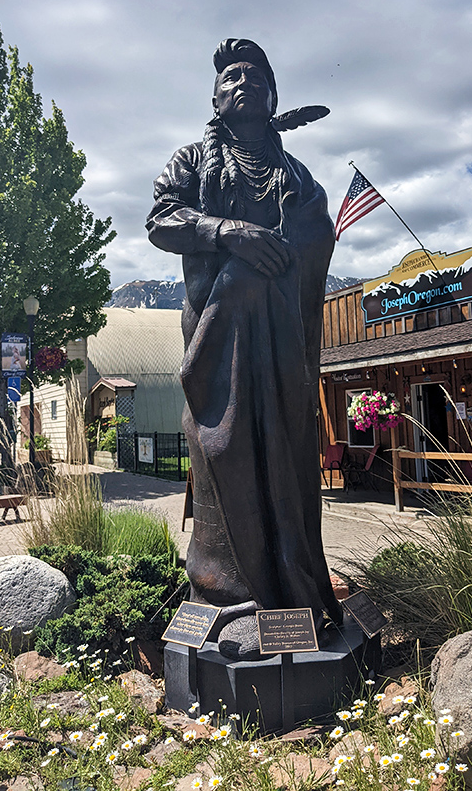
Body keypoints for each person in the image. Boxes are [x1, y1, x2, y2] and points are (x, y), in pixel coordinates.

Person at [146, 39, 343, 646]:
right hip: (218, 338)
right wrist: (227, 234)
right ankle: (224, 592)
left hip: (281, 340)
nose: (244, 82)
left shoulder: (295, 175)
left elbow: (318, 233)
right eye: (231, 76)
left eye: (256, 76)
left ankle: (291, 593)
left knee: (285, 453)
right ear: (215, 100)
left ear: (273, 96)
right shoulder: (192, 160)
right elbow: (161, 220)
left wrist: (276, 257)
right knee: (221, 448)